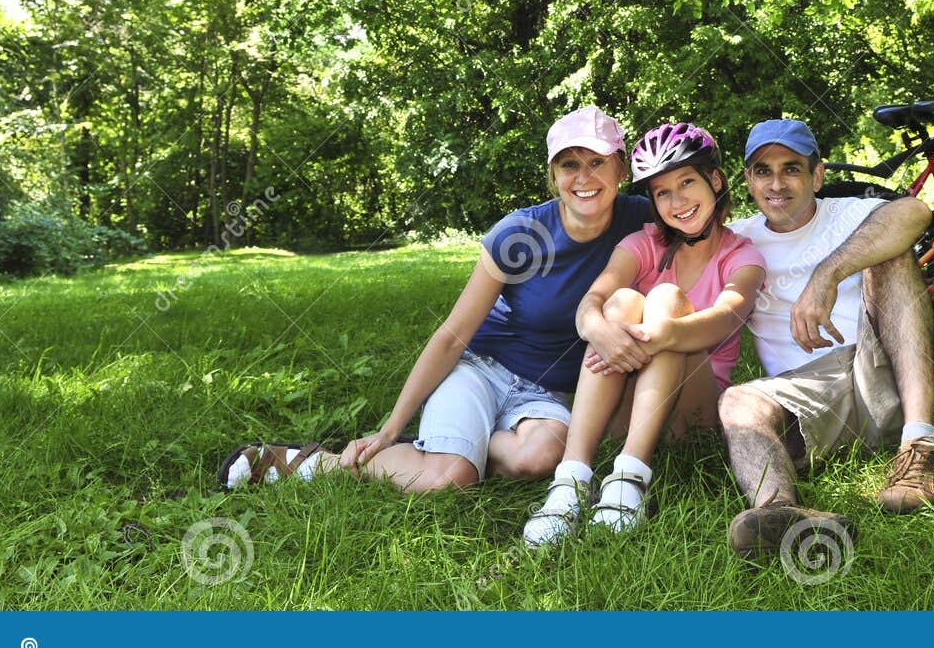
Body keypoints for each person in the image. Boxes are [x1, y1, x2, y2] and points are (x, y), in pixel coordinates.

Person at [218, 106, 653, 493]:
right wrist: (391, 427)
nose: (584, 178)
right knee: (447, 478)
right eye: (569, 164)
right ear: (553, 175)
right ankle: (315, 463)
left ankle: (452, 442)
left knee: (536, 459)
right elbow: (453, 334)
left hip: (545, 393)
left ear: (621, 169)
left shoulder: (643, 219)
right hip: (482, 368)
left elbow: (693, 224)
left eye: (597, 162)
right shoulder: (521, 233)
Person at [521, 123, 765, 546]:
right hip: (628, 409)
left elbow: (727, 316)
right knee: (619, 303)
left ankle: (630, 478)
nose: (677, 201)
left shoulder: (742, 256)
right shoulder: (643, 243)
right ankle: (570, 481)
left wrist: (664, 333)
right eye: (662, 192)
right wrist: (599, 329)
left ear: (715, 180)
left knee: (667, 299)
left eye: (687, 182)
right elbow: (592, 302)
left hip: (694, 414)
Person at [719, 118, 934, 558]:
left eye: (791, 169)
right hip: (808, 403)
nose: (776, 184)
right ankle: (780, 513)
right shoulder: (740, 239)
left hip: (875, 369)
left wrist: (827, 274)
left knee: (891, 255)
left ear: (817, 175)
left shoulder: (847, 214)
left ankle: (921, 448)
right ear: (748, 180)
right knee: (737, 402)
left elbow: (916, 211)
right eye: (763, 171)